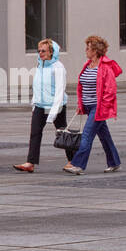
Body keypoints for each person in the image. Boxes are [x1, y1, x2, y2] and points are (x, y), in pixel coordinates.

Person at [63, 35, 122, 175]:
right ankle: (114, 162)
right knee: (104, 136)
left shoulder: (105, 67)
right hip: (88, 107)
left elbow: (110, 89)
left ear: (95, 51)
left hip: (98, 108)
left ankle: (78, 165)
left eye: (88, 48)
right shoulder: (88, 65)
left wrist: (104, 106)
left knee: (87, 135)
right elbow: (82, 86)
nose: (86, 51)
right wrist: (81, 104)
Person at [13, 39, 72, 173]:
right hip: (40, 105)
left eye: (43, 51)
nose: (40, 53)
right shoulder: (40, 65)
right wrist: (34, 103)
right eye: (39, 51)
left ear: (51, 52)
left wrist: (53, 113)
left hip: (56, 106)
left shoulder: (58, 67)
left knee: (63, 134)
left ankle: (72, 160)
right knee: (35, 133)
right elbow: (37, 86)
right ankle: (30, 162)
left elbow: (59, 91)